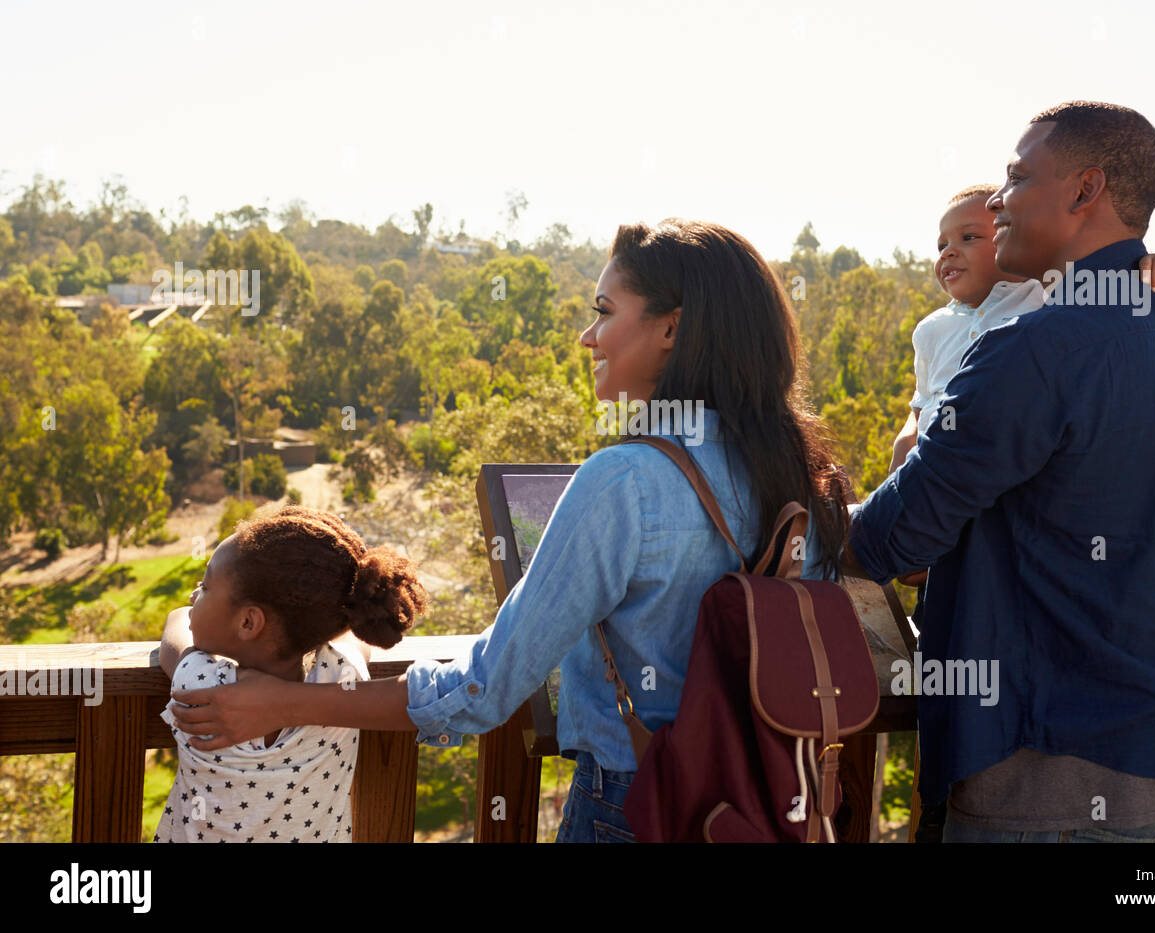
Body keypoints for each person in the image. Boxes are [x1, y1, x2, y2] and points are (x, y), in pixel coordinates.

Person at [170, 219, 853, 843]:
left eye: (604, 313)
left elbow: (484, 690)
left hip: (636, 806)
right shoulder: (803, 477)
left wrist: (284, 702)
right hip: (770, 803)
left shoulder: (623, 482)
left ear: (671, 329)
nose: (588, 337)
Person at [846, 101, 1155, 842]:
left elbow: (895, 535)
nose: (997, 199)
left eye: (1017, 176)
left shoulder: (1036, 348)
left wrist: (797, 537)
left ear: (1085, 190)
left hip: (1054, 780)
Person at [894, 183, 1155, 842]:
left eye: (971, 236)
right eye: (941, 242)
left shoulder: (1040, 306)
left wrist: (1154, 264)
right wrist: (910, 453)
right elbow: (916, 427)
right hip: (944, 552)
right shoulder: (933, 330)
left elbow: (1101, 276)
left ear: (1009, 243)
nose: (950, 252)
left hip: (1004, 574)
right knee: (944, 710)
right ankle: (940, 794)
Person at [155, 506, 426, 842]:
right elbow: (348, 632)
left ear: (247, 622)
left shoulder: (204, 686)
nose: (198, 594)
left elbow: (177, 625)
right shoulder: (343, 677)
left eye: (205, 586)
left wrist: (191, 608)